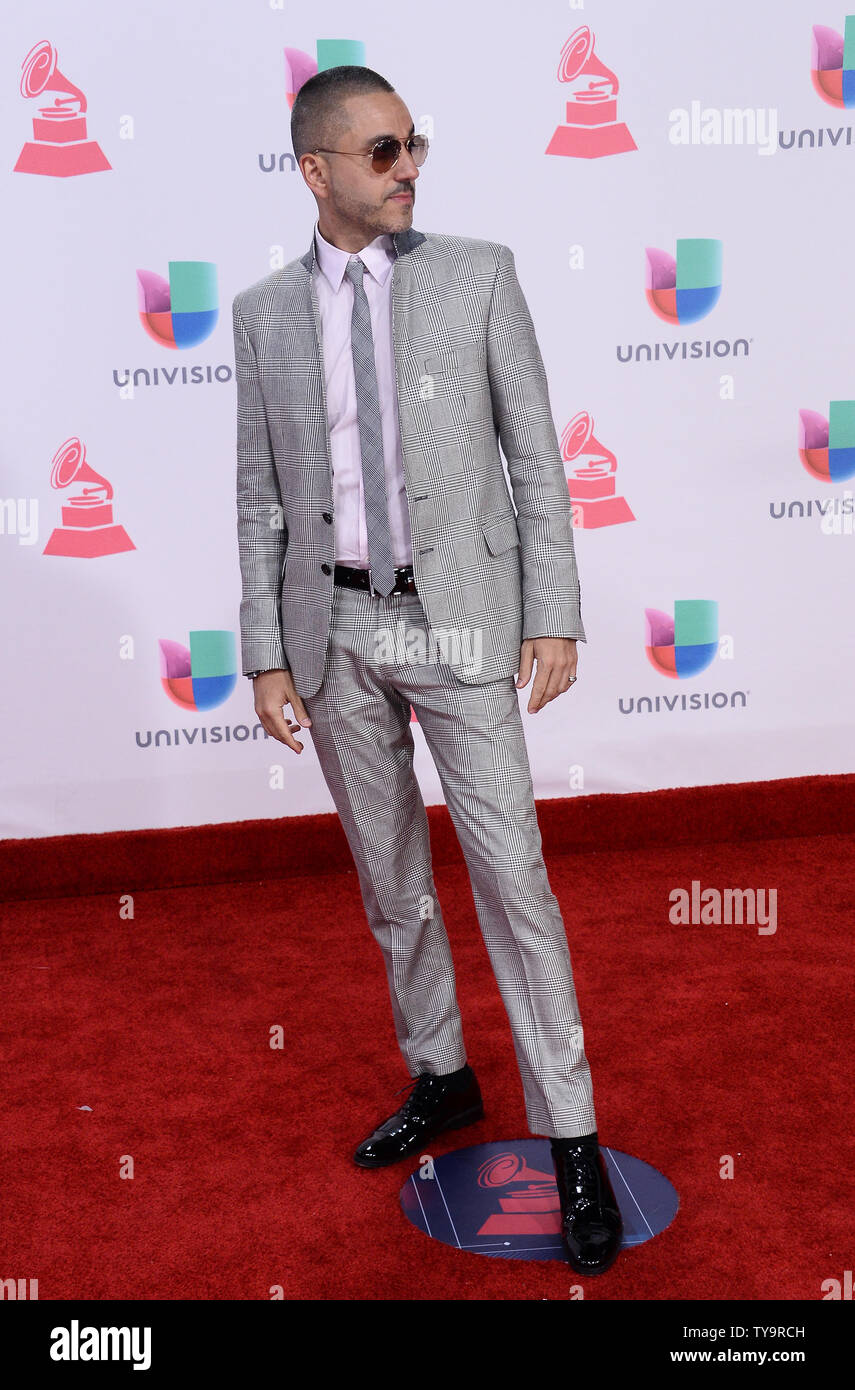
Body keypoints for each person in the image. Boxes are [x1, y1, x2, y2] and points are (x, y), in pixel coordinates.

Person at [233, 64, 623, 1276]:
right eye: (385, 152)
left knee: (514, 879)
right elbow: (258, 502)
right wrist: (264, 651)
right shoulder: (259, 314)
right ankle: (444, 1075)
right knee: (390, 877)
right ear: (317, 170)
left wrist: (551, 613)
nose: (410, 171)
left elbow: (537, 461)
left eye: (416, 148)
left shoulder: (479, 275)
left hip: (456, 624)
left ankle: (572, 1139)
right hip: (335, 631)